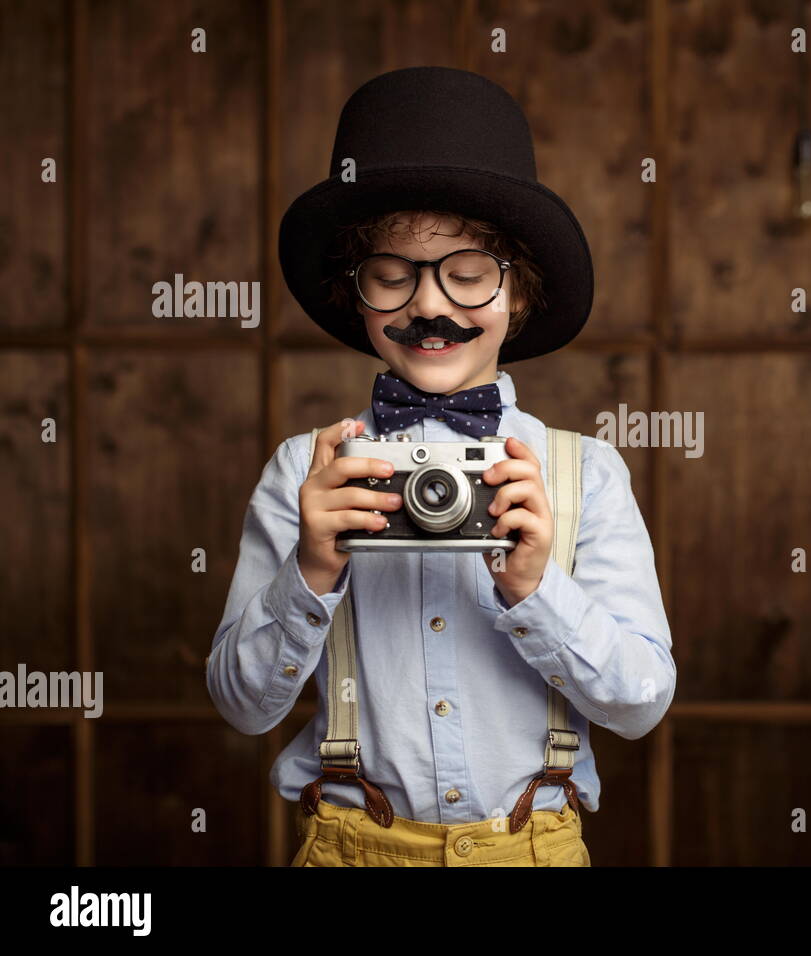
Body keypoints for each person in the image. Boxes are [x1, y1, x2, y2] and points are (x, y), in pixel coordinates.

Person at [207, 66, 675, 867]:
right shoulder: (305, 471)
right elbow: (244, 708)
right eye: (393, 276)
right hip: (352, 847)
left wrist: (537, 589)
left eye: (467, 274)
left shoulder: (586, 473)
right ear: (357, 296)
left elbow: (639, 705)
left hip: (534, 849)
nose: (430, 307)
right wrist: (311, 572)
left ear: (518, 295)